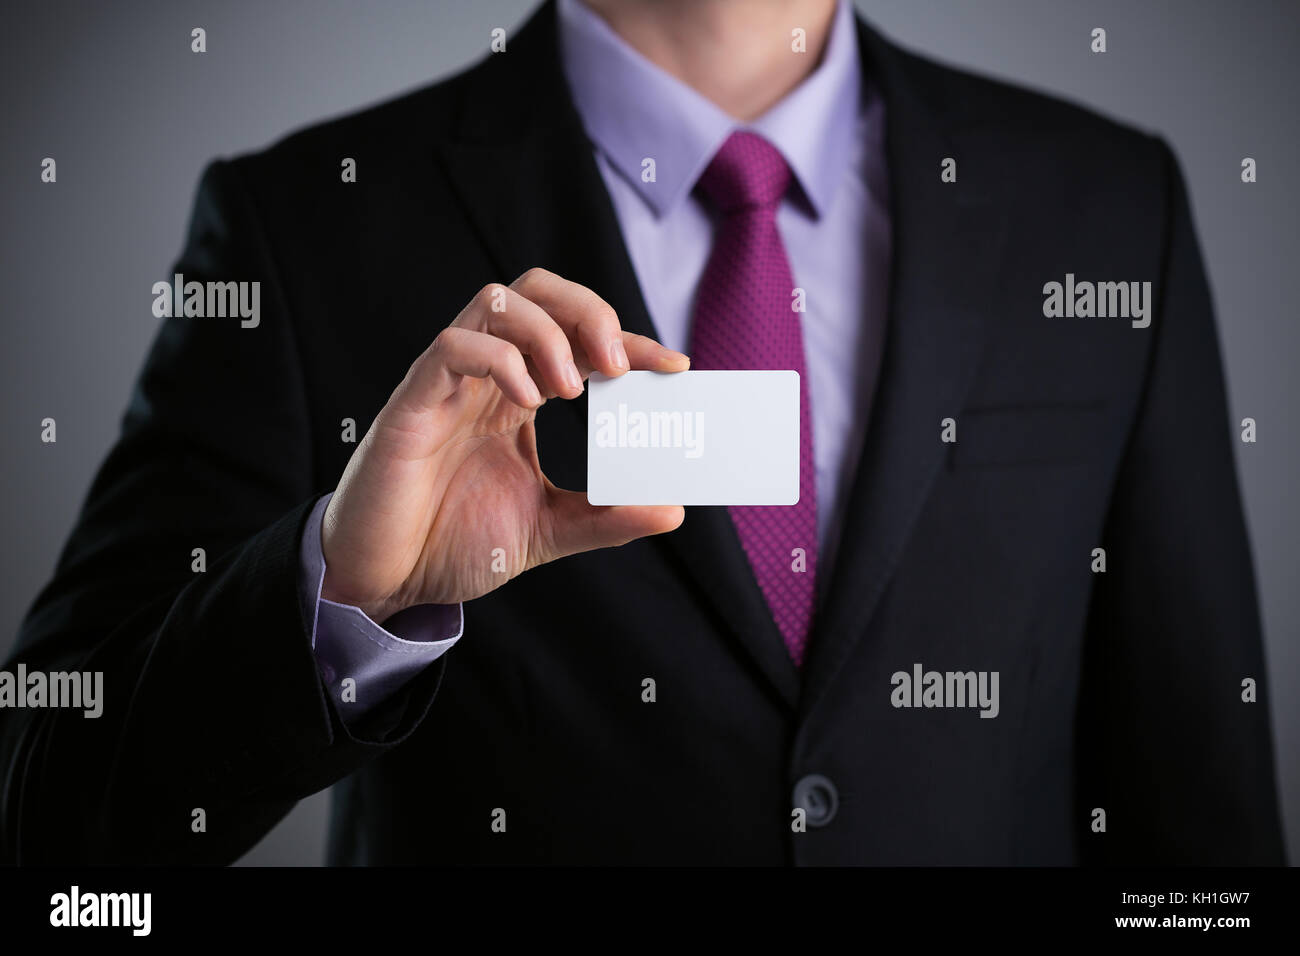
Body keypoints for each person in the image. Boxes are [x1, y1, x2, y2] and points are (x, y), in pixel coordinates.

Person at [0, 0, 1284, 865]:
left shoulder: (1107, 205)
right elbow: (49, 815)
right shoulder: (302, 227)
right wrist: (343, 592)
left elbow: (1198, 801)